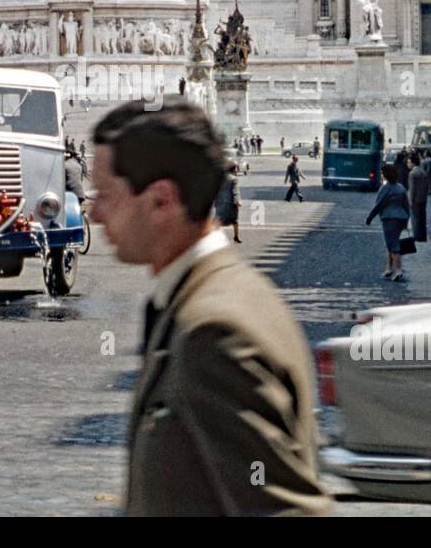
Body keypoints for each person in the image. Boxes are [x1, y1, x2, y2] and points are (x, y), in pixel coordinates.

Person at [87, 99, 331, 516]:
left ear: (161, 200)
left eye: (106, 196)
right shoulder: (221, 295)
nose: (93, 213)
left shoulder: (217, 333)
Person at [366, 163, 411, 282]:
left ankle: (398, 270)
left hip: (389, 218)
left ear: (386, 175)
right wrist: (407, 219)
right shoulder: (401, 188)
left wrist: (369, 218)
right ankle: (388, 269)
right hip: (401, 218)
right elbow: (406, 205)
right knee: (392, 243)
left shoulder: (385, 188)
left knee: (393, 245)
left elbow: (379, 205)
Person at [213, 161, 242, 243]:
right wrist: (237, 201)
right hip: (231, 203)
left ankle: (214, 238)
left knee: (218, 221)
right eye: (236, 169)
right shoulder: (234, 179)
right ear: (233, 169)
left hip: (220, 202)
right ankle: (236, 236)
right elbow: (235, 191)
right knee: (235, 221)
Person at [406, 153, 429, 242]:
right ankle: (423, 236)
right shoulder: (423, 172)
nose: (408, 164)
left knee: (415, 218)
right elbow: (427, 186)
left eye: (409, 162)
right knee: (422, 218)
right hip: (423, 198)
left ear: (413, 163)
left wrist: (410, 200)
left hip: (415, 199)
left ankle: (416, 235)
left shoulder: (412, 173)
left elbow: (412, 188)